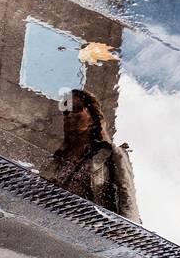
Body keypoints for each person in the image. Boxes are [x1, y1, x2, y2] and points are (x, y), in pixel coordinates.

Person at [49, 89, 141, 223]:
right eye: (66, 112)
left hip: (92, 230)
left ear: (92, 116)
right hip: (53, 223)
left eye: (76, 108)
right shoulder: (58, 158)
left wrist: (124, 232)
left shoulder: (111, 154)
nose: (70, 115)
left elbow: (128, 199)